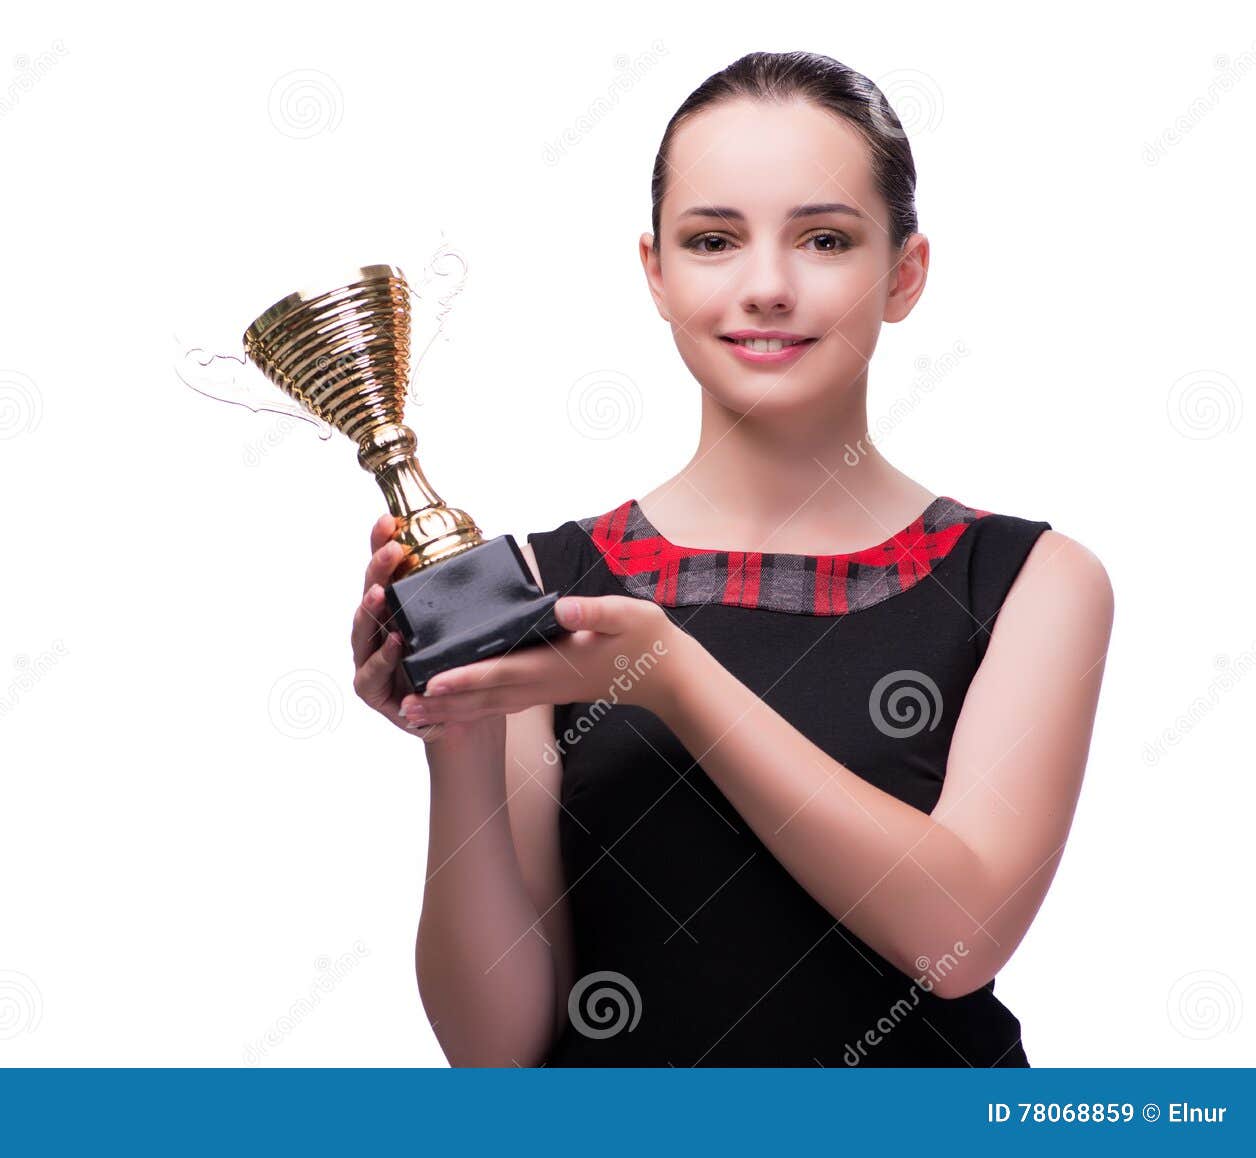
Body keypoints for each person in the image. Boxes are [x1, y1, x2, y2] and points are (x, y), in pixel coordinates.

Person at [348, 51, 1113, 1067]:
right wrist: (459, 730)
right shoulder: (539, 585)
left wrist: (670, 674)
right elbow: (493, 1052)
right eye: (713, 240)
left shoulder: (1030, 579)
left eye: (824, 239)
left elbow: (956, 940)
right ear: (655, 273)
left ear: (903, 274)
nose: (765, 287)